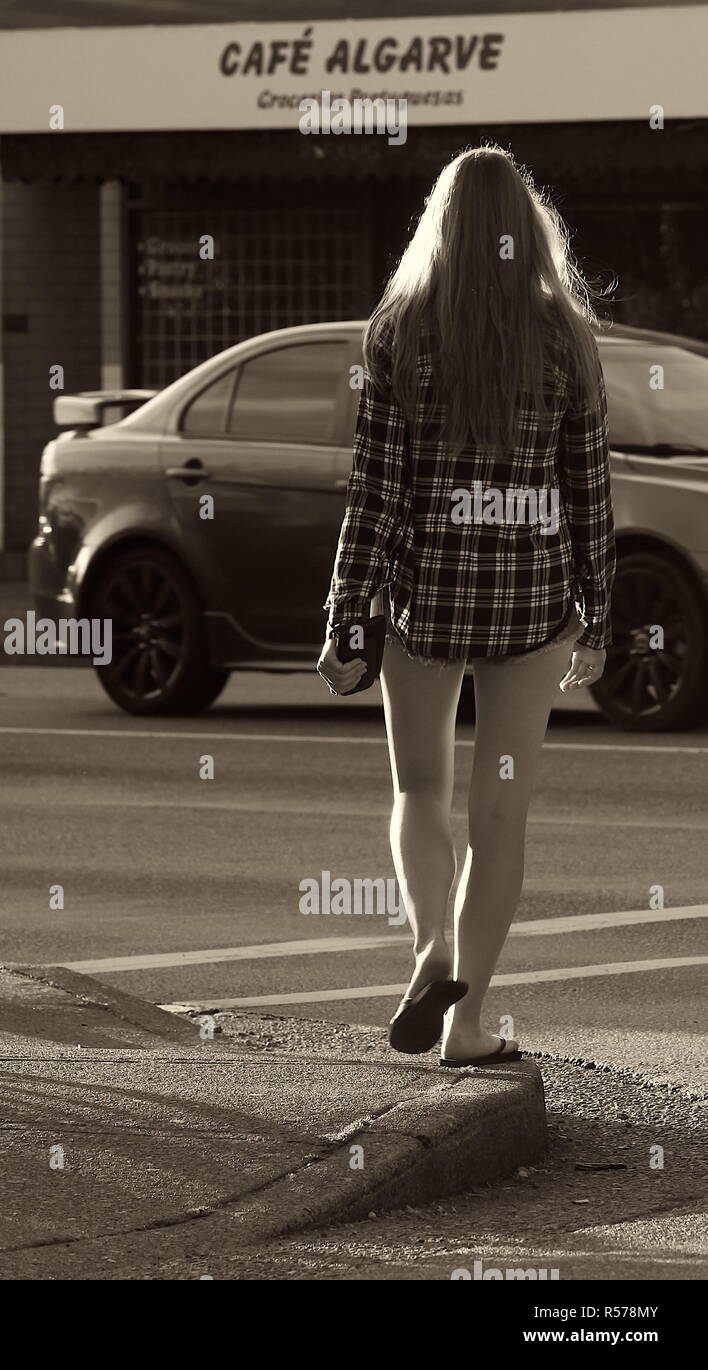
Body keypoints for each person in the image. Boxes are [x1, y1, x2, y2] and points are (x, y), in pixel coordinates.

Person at [318, 146, 615, 1067]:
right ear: (528, 231)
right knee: (502, 813)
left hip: (425, 600)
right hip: (530, 606)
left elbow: (373, 489)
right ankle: (469, 1025)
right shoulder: (565, 335)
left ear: (439, 228)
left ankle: (429, 947)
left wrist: (344, 615)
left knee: (418, 790)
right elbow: (589, 493)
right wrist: (598, 616)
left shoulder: (399, 332)